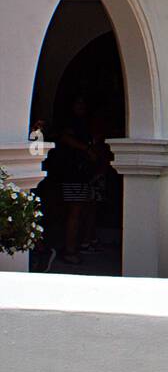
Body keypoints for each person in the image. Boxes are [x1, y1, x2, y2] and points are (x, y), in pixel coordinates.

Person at [56, 96, 98, 266]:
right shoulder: (70, 123)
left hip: (82, 174)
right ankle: (69, 250)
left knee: (81, 210)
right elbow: (65, 138)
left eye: (83, 103)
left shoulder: (83, 123)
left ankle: (75, 246)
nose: (81, 106)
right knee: (74, 211)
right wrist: (86, 149)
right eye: (78, 102)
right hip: (73, 172)